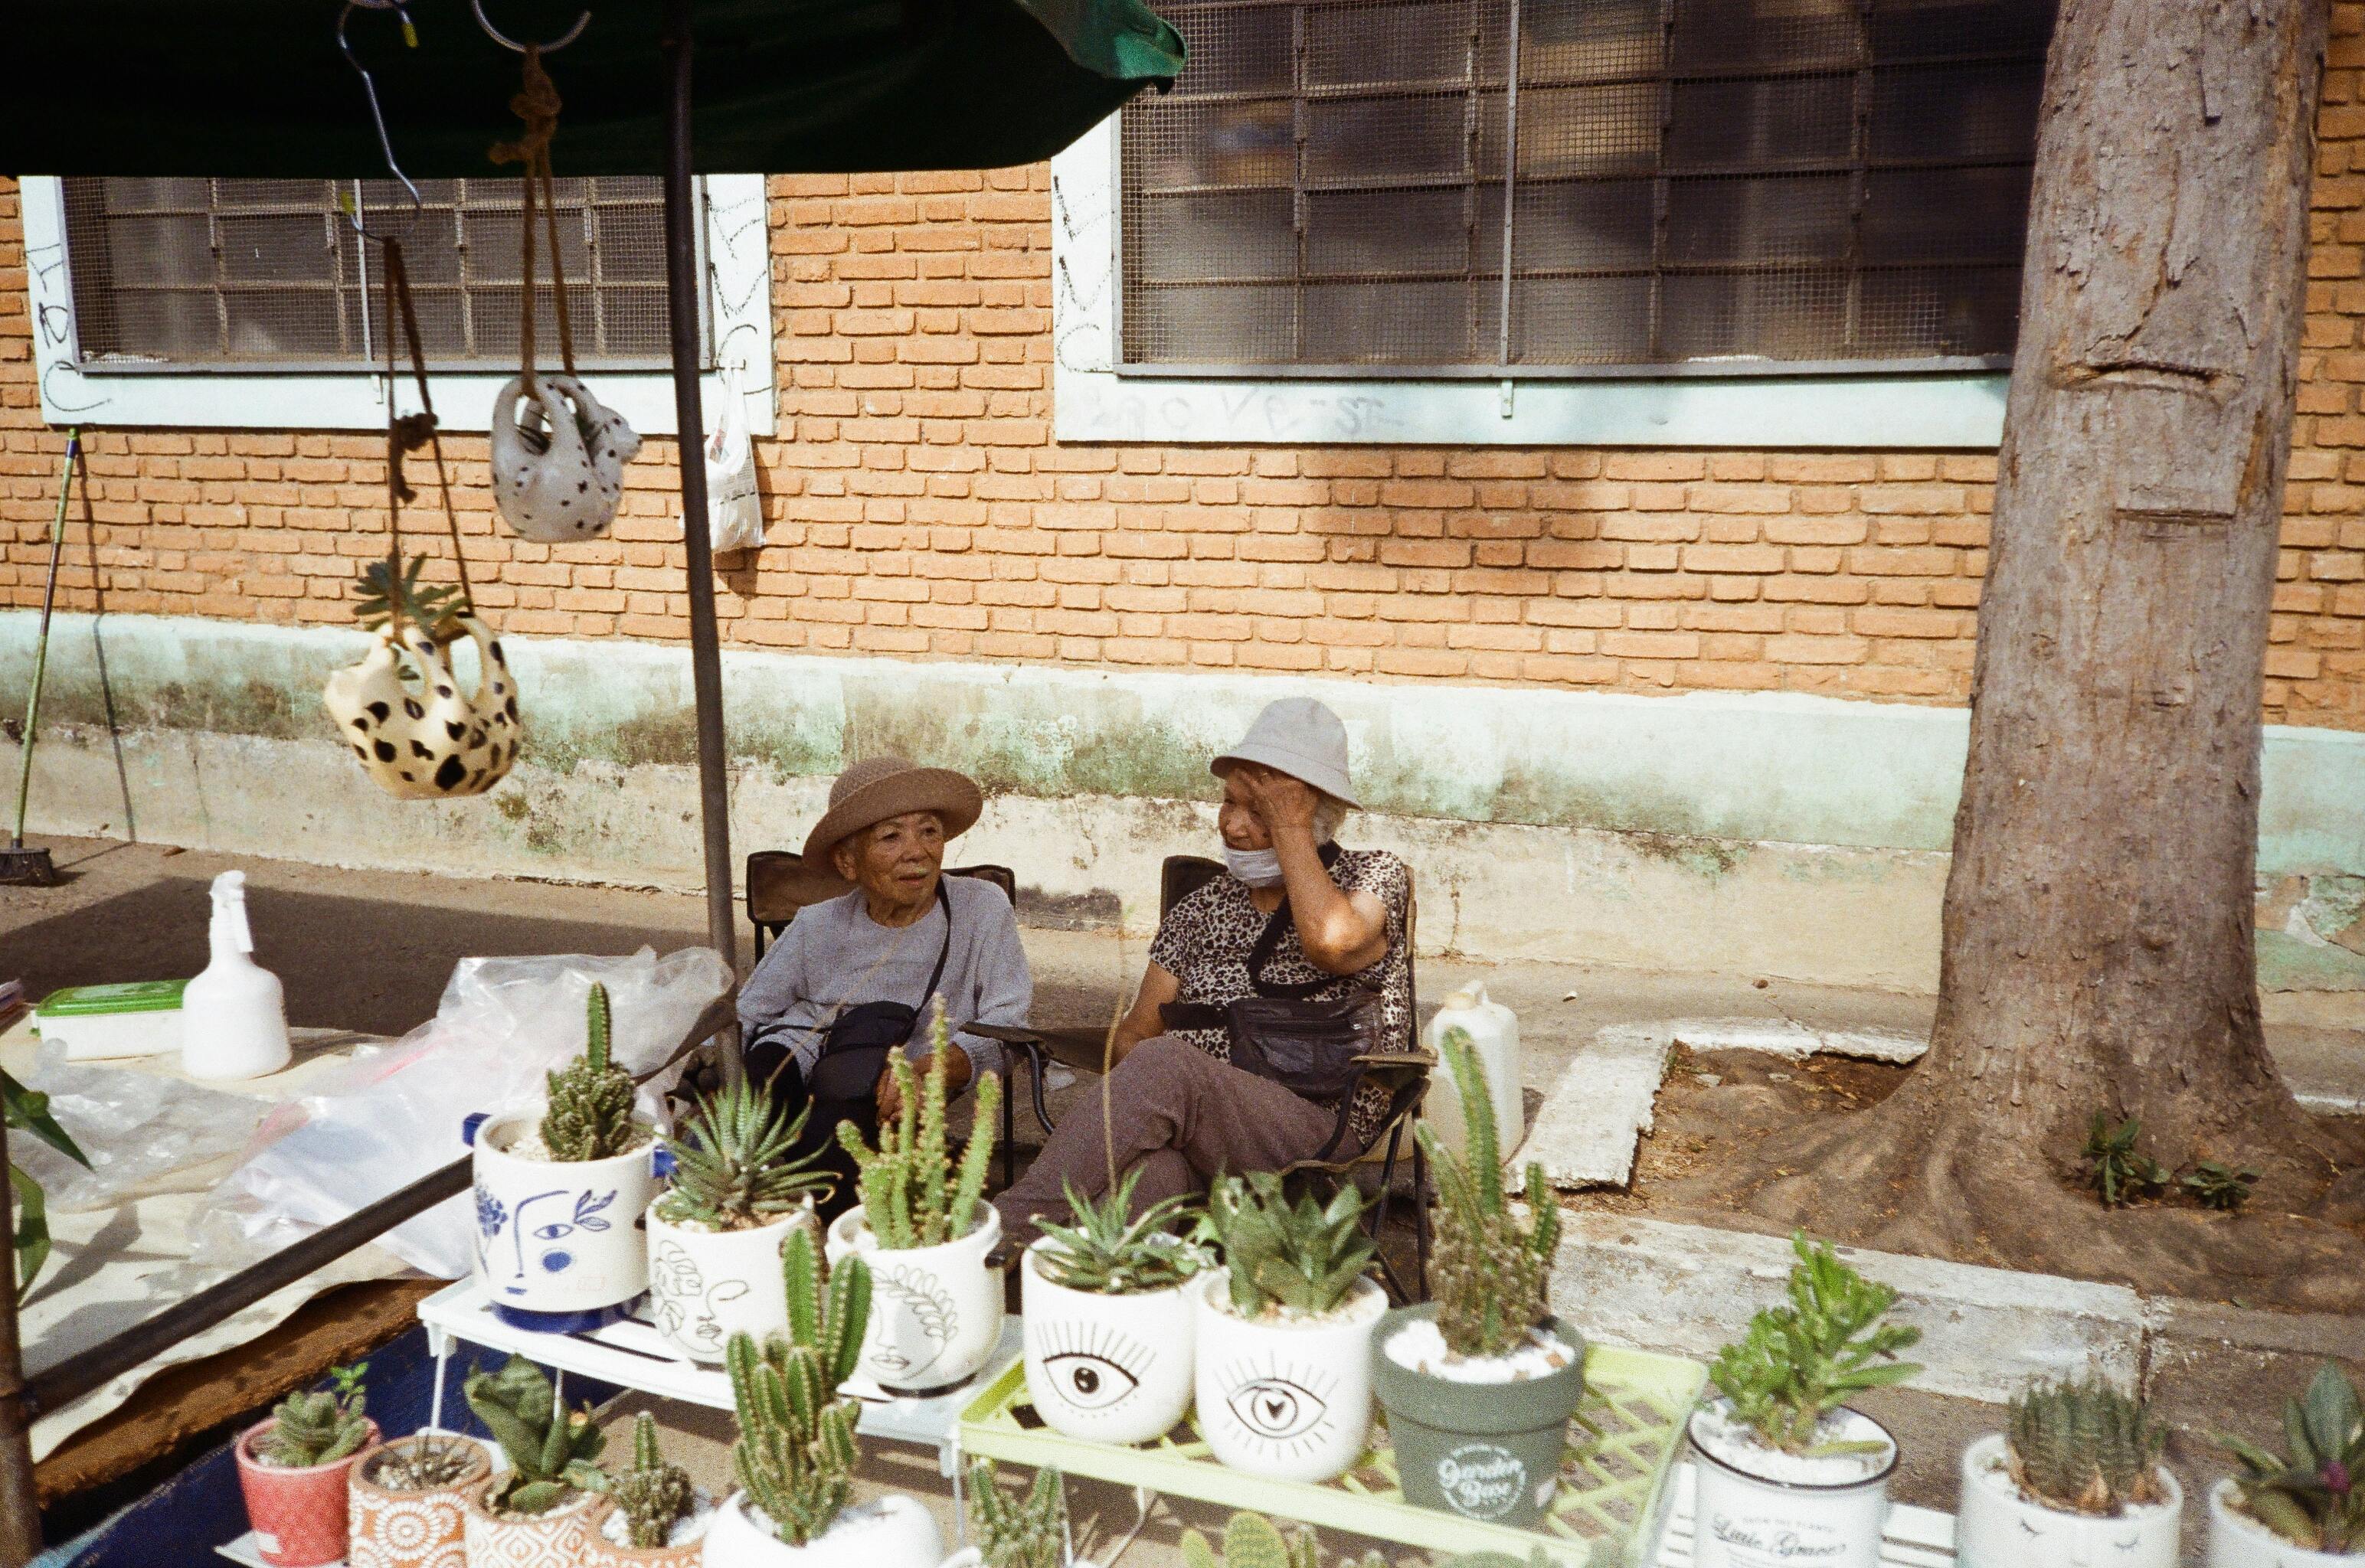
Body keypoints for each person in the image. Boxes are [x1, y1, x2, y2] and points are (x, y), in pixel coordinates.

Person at [993, 697, 1411, 1244]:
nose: (1233, 825)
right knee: (1149, 1179)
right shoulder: (1200, 909)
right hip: (1199, 1129)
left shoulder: (1374, 877)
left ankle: (994, 1231)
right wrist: (1159, 1106)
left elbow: (1333, 944)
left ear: (1312, 817)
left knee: (1168, 1063)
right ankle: (1035, 1297)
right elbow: (1139, 1031)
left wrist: (1289, 827)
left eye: (1258, 810)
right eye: (1228, 802)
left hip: (1315, 1123)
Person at [736, 756, 1031, 1191]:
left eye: (929, 831)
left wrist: (946, 1063)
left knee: (840, 1130)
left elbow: (1010, 1023)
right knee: (756, 1089)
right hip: (804, 1051)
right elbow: (748, 1012)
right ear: (849, 863)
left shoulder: (981, 907)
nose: (918, 851)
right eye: (891, 836)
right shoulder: (817, 922)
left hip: (897, 1070)